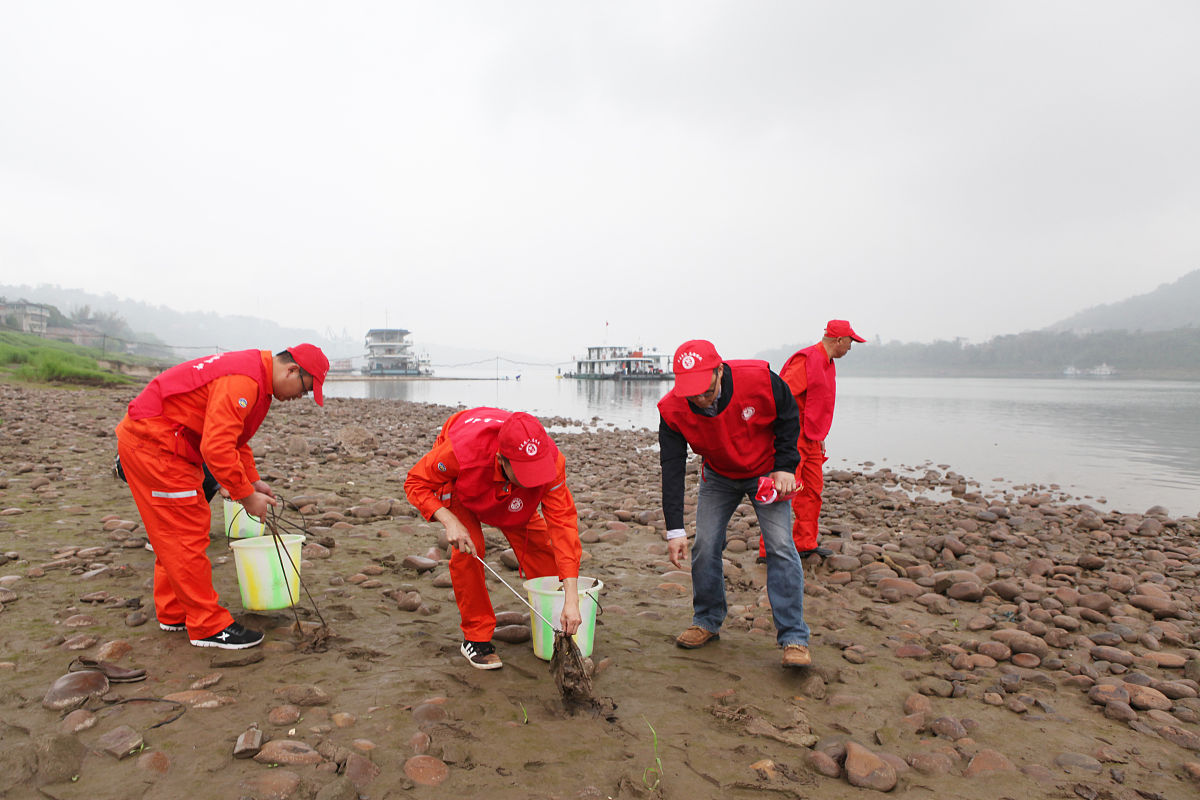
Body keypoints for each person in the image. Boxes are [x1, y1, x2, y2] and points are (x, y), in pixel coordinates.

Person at [115, 344, 329, 649]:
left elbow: (236, 438)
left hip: (164, 441)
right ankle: (207, 625)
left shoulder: (257, 376)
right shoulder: (244, 379)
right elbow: (216, 449)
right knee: (186, 533)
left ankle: (175, 612)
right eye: (305, 389)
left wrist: (253, 481)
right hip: (157, 445)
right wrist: (246, 497)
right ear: (292, 370)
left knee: (172, 532)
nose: (301, 397)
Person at [658, 339, 813, 668]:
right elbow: (671, 468)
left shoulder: (758, 379)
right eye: (691, 393)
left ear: (719, 371)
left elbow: (788, 417)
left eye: (705, 390)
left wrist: (785, 466)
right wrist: (674, 530)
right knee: (705, 545)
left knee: (782, 547)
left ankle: (794, 638)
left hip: (766, 472)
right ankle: (707, 621)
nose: (699, 399)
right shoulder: (672, 409)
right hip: (718, 475)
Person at [404, 408, 583, 670]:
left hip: (513, 494)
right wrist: (448, 519)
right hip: (465, 482)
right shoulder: (459, 452)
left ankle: (554, 622)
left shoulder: (552, 463)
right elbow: (415, 482)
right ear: (501, 460)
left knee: (540, 545)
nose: (533, 481)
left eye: (537, 473)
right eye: (525, 474)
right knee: (469, 549)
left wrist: (572, 597)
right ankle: (475, 638)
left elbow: (563, 527)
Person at [757, 320, 865, 563]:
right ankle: (769, 550)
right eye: (850, 341)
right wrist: (781, 436)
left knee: (812, 491)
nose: (851, 346)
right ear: (838, 340)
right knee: (783, 490)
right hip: (793, 438)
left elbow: (818, 402)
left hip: (812, 438)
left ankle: (805, 543)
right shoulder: (806, 359)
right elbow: (781, 396)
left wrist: (820, 434)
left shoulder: (828, 363)